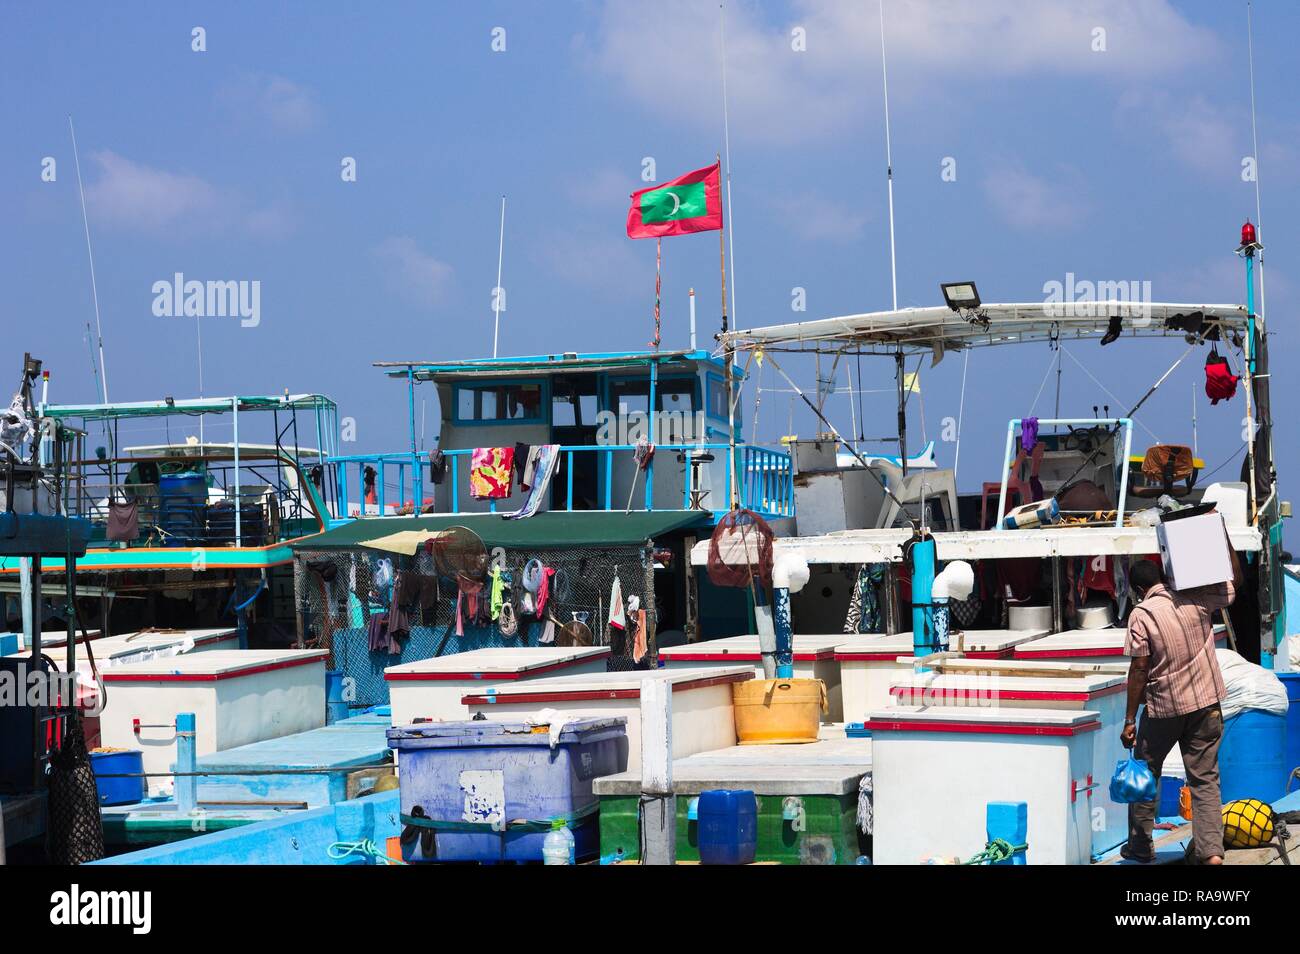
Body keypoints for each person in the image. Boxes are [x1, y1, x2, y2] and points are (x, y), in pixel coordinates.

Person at [1120, 530, 1243, 865]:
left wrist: (1130, 719)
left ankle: (1141, 847)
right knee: (1205, 779)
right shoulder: (1196, 597)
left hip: (1163, 709)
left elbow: (1140, 668)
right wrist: (1221, 537)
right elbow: (1236, 579)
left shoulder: (1142, 614)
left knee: (1146, 774)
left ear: (1138, 590)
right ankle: (1212, 855)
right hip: (1205, 705)